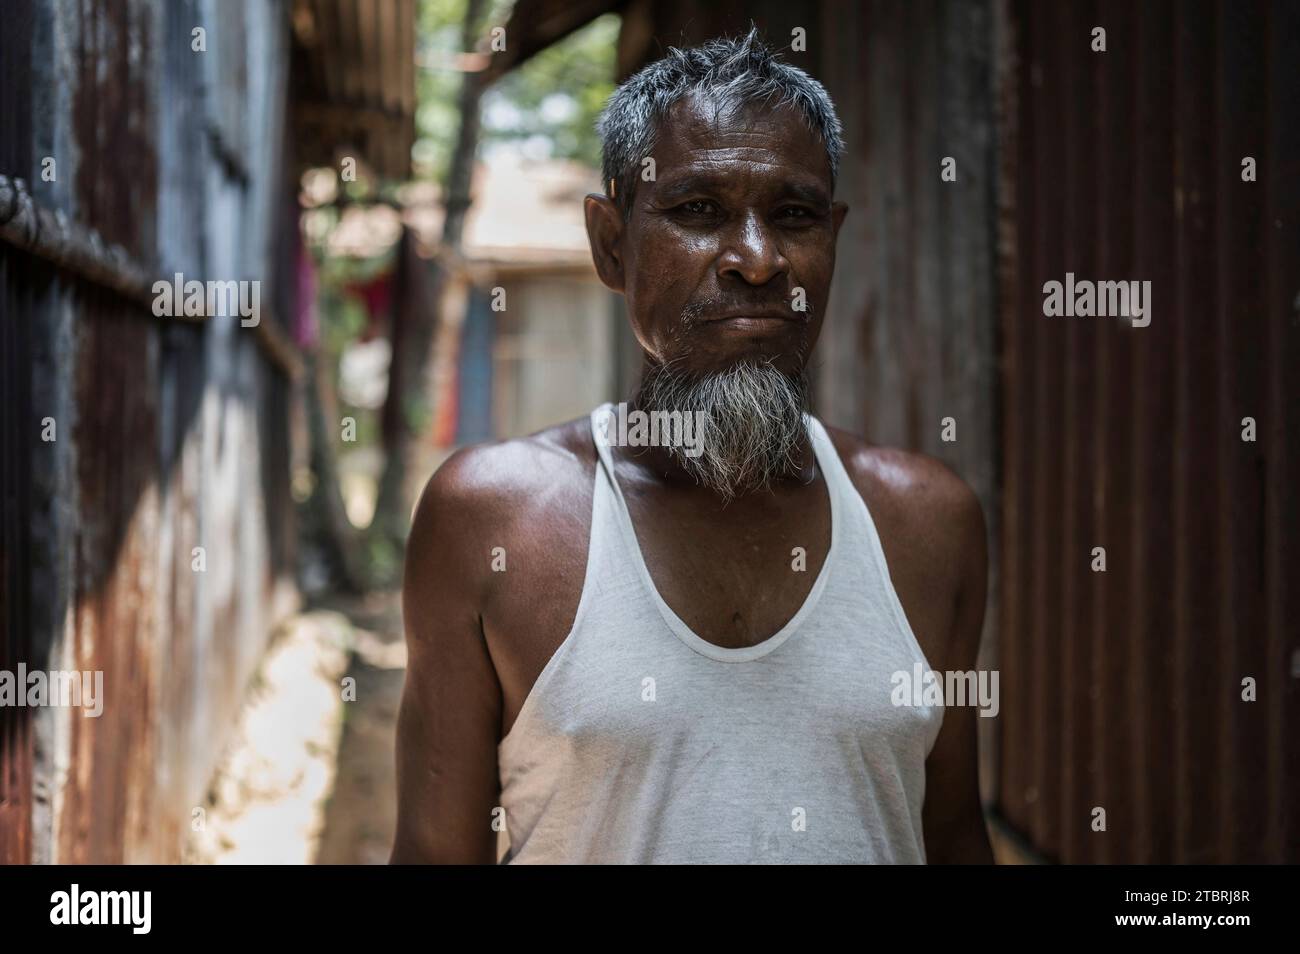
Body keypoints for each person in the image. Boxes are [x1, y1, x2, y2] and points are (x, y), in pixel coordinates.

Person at [391, 28, 993, 864]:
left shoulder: (927, 524)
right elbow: (434, 852)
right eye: (697, 211)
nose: (756, 258)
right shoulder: (495, 522)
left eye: (794, 215)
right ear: (611, 243)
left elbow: (954, 831)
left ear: (834, 239)